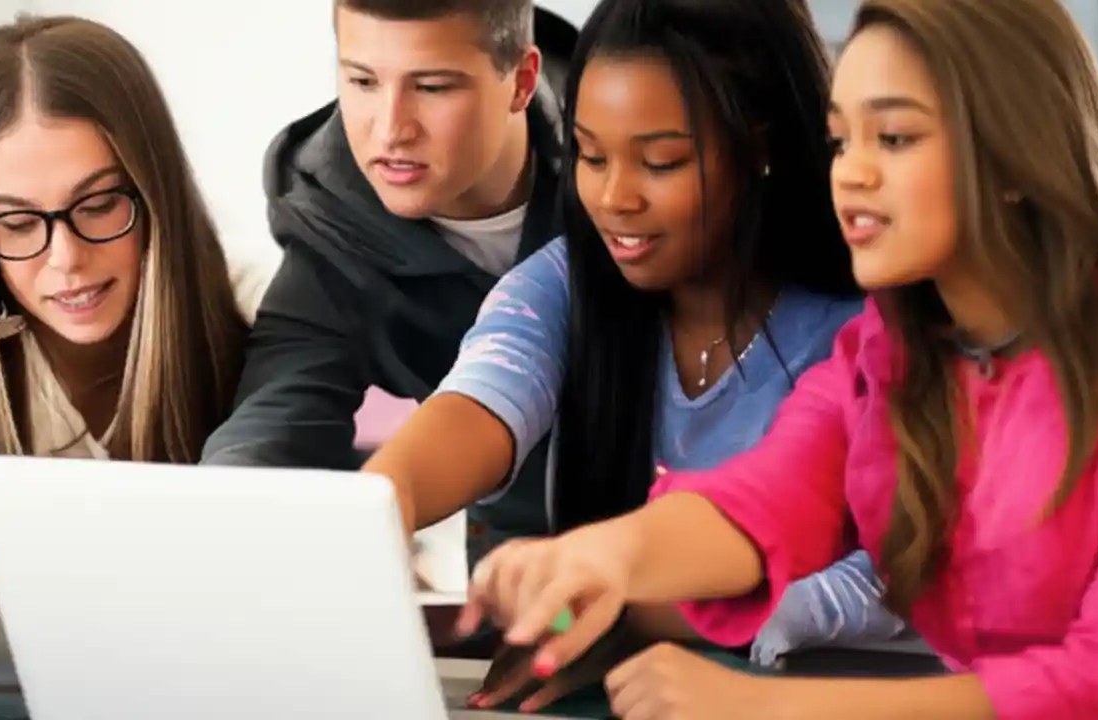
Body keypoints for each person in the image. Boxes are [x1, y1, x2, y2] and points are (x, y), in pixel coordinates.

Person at [458, 0, 1098, 717]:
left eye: (893, 138)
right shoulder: (890, 353)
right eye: (840, 141)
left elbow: (1092, 677)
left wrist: (764, 707)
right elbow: (773, 493)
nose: (852, 174)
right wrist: (607, 558)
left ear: (1017, 154)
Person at [363, 0, 906, 710]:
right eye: (590, 155)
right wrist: (369, 510)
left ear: (760, 145)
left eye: (661, 161)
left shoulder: (867, 328)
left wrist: (618, 613)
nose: (614, 198)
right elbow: (483, 399)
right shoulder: (567, 285)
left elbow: (898, 581)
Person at [0, 15, 263, 688]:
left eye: (98, 206)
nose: (67, 260)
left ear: (156, 192)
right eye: (18, 222)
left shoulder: (254, 307)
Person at [199, 0, 577, 557]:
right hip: (525, 572)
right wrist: (216, 514)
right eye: (363, 80)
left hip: (708, 543)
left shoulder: (626, 160)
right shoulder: (331, 226)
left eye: (433, 87)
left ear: (522, 81)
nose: (391, 130)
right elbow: (280, 408)